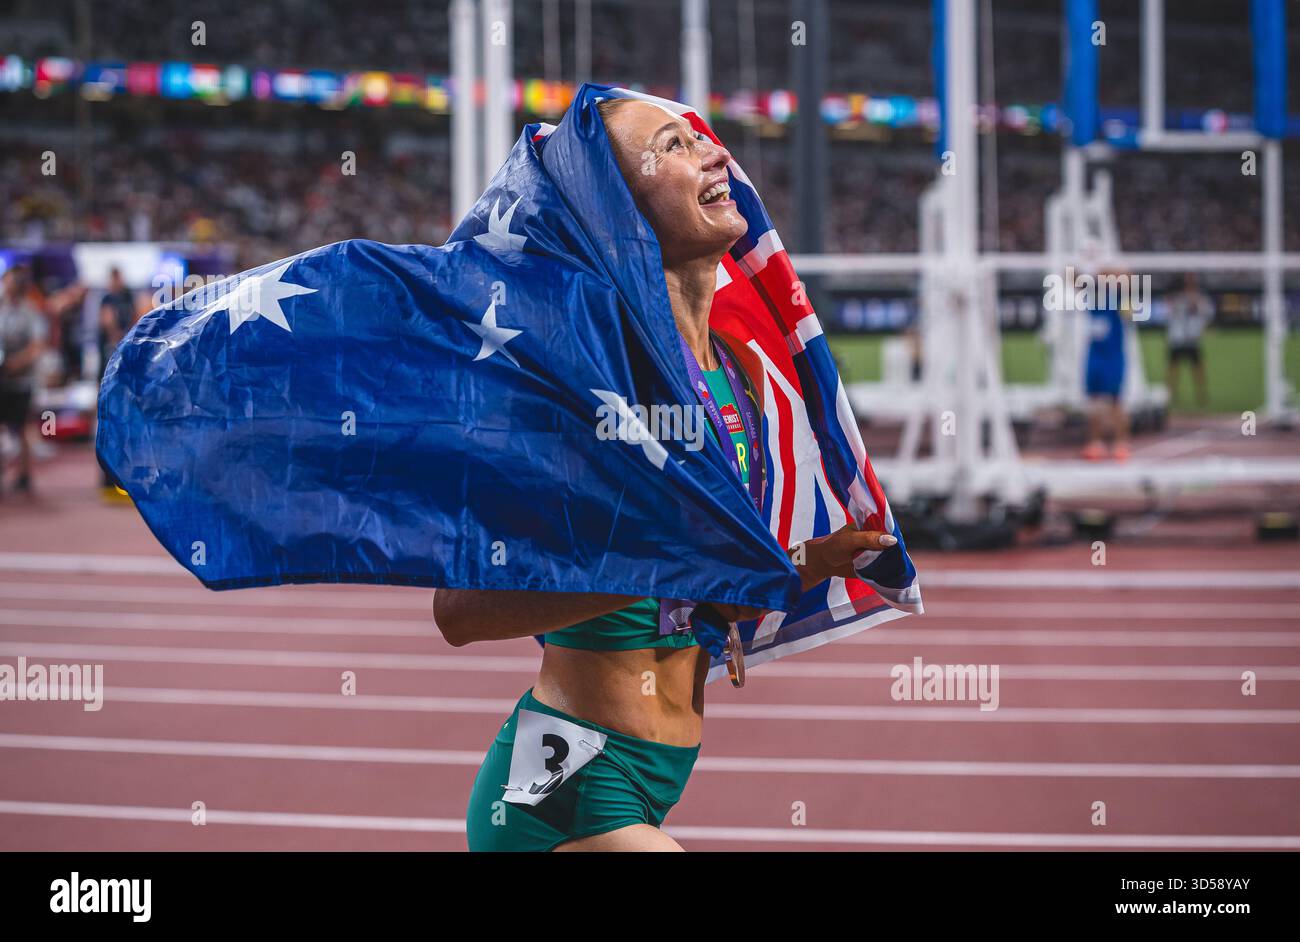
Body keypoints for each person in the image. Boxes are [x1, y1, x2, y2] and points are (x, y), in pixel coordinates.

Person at [436, 99, 895, 852]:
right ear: (620, 208)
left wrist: (801, 562)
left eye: (704, 140)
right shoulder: (584, 387)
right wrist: (672, 566)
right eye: (675, 146)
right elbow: (458, 611)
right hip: (572, 786)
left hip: (643, 775)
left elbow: (695, 595)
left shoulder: (738, 375)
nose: (715, 155)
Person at [0, 264, 48, 495]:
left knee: (22, 426)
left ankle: (24, 474)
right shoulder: (2, 308)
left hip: (22, 380)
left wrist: (16, 363)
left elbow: (38, 345)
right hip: (2, 379)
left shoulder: (30, 311)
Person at [1081, 271, 1131, 461]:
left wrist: (1103, 270)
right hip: (1094, 357)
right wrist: (1087, 269)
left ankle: (1121, 443)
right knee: (1094, 402)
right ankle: (1096, 443)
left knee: (1115, 401)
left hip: (1113, 357)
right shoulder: (1091, 297)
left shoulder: (1118, 297)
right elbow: (1070, 275)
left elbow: (1127, 275)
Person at [98, 267, 138, 496]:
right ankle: (108, 476)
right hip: (110, 365)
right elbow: (107, 321)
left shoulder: (128, 296)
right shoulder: (107, 299)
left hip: (123, 364)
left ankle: (120, 475)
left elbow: (135, 316)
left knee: (123, 419)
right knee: (109, 418)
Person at [1165, 272, 1213, 410]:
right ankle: (1170, 394)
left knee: (1198, 368)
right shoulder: (1176, 299)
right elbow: (1170, 312)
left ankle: (1201, 395)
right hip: (1178, 338)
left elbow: (1207, 313)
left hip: (1192, 339)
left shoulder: (1200, 299)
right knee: (1173, 368)